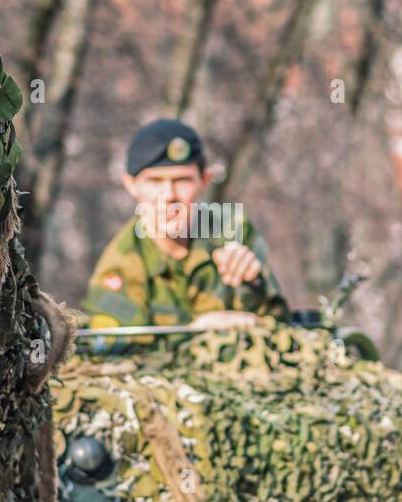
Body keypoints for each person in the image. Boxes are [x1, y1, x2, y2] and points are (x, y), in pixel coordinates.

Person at [81, 119, 287, 352]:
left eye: (182, 180)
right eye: (155, 181)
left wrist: (254, 285)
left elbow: (280, 328)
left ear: (204, 181)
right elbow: (116, 359)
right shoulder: (120, 267)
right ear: (131, 185)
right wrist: (197, 334)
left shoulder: (233, 231)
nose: (169, 195)